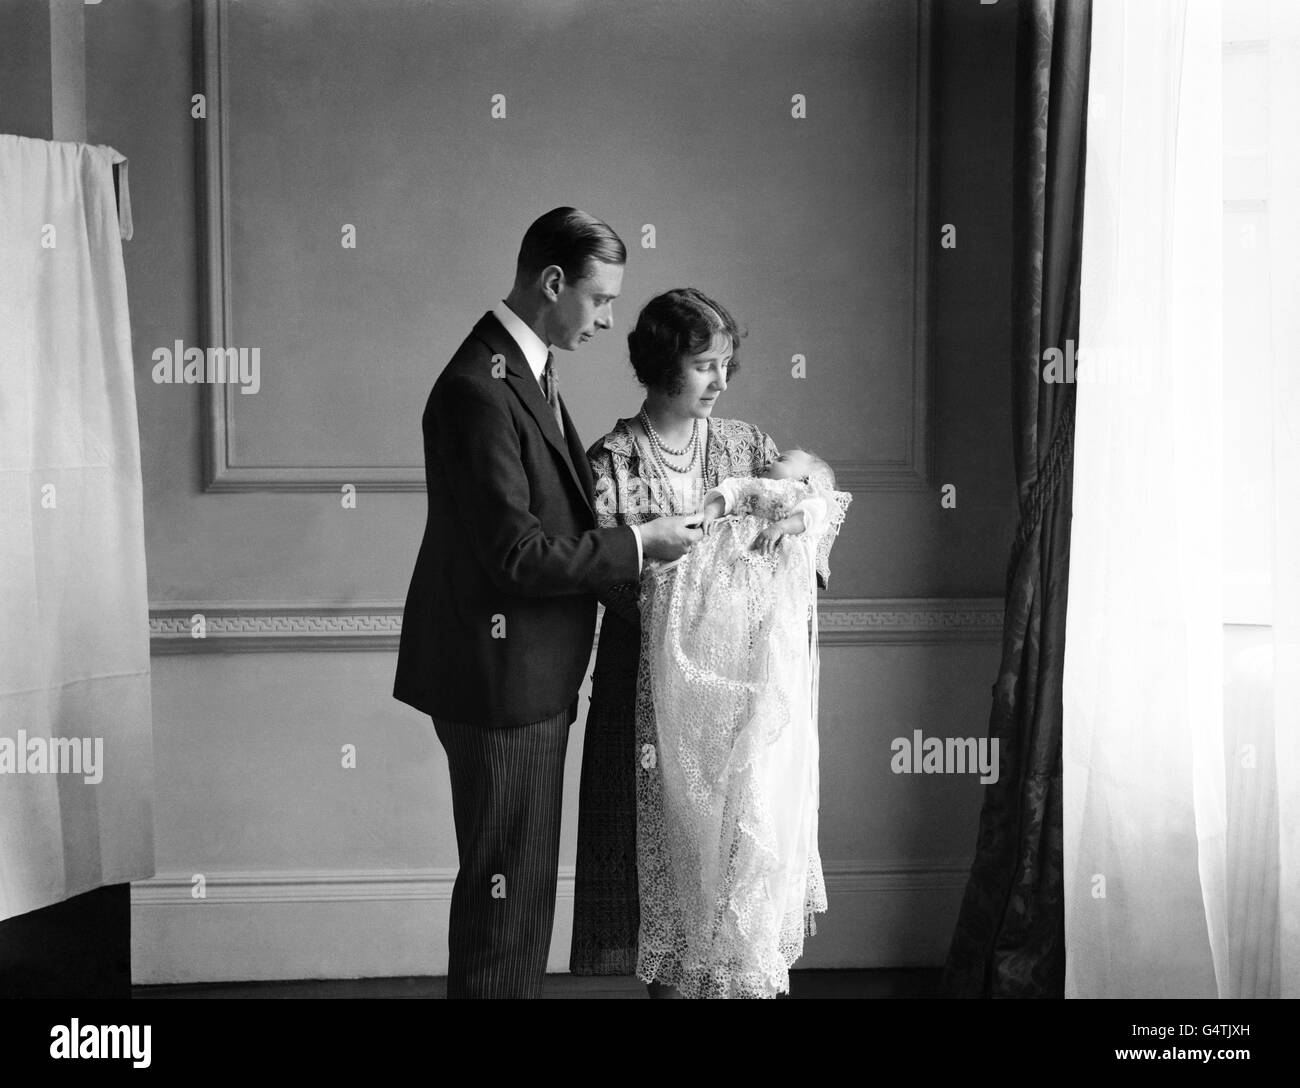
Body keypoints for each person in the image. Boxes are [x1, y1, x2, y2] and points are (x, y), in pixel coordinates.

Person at [393, 208, 702, 999]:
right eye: (599, 300)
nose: (607, 320)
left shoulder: (519, 371)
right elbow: (516, 555)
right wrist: (638, 545)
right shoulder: (478, 388)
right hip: (501, 681)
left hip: (525, 674)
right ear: (552, 281)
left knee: (517, 895)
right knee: (507, 902)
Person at [572, 287, 823, 995]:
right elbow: (603, 574)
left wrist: (801, 528)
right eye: (704, 365)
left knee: (740, 872)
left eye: (726, 364)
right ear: (660, 363)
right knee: (667, 882)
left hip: (743, 691)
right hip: (647, 688)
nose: (719, 380)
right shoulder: (613, 462)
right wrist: (687, 588)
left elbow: (813, 491)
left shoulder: (748, 446)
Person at [635, 449, 852, 998]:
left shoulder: (803, 497)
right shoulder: (751, 481)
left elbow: (820, 513)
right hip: (721, 625)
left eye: (790, 459)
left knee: (756, 794)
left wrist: (789, 523)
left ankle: (745, 960)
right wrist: (713, 509)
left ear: (804, 477)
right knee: (701, 797)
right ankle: (699, 960)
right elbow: (727, 492)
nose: (775, 455)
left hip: (763, 640)